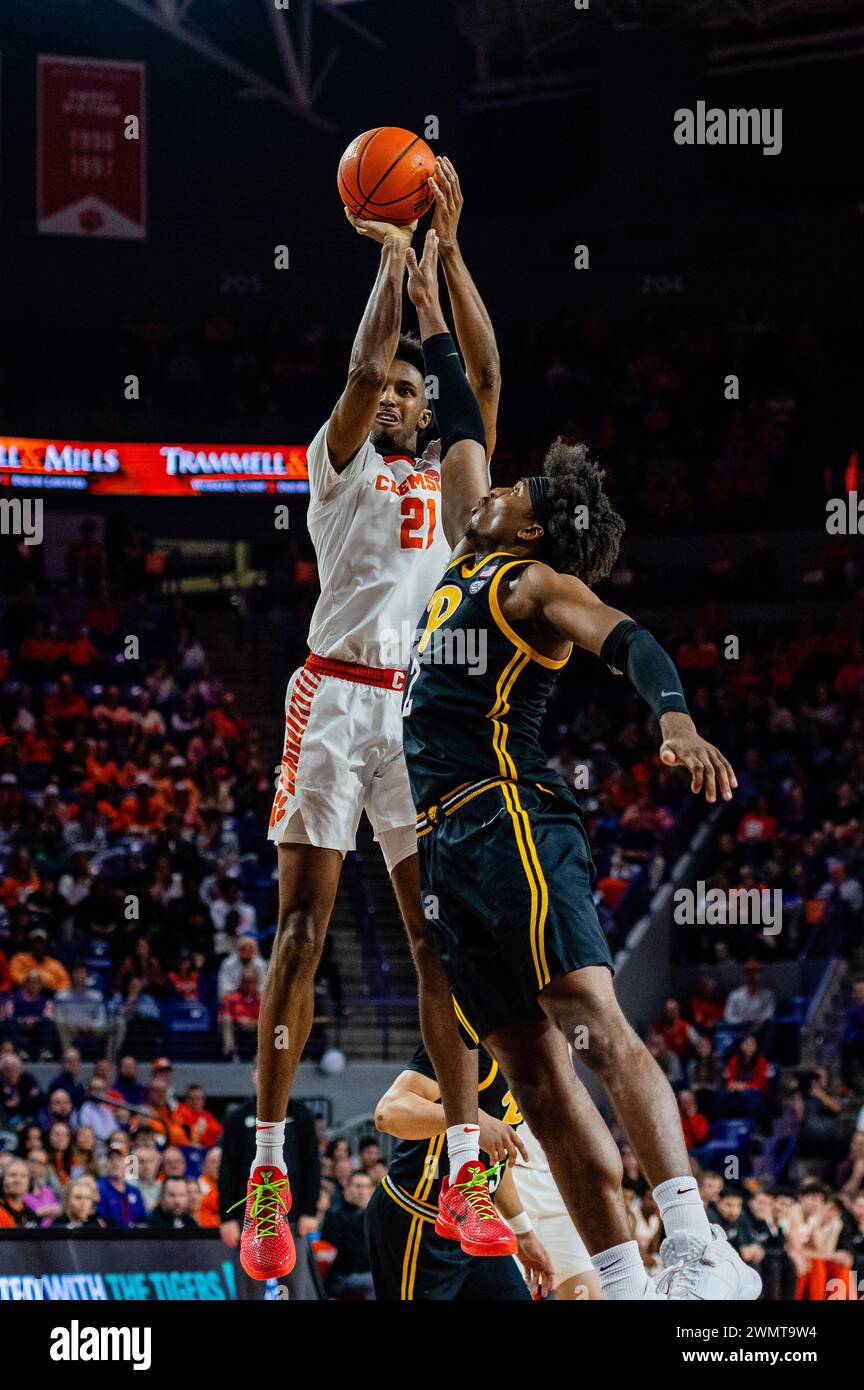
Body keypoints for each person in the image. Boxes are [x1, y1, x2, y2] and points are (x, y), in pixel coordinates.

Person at [398, 230, 760, 1301]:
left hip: (511, 818)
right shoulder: (475, 544)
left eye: (516, 486)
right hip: (453, 839)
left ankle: (698, 1243)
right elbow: (465, 406)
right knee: (538, 1078)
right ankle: (625, 1280)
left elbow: (632, 637)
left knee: (595, 1024)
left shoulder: (533, 587)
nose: (496, 479)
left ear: (539, 522)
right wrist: (442, 283)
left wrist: (675, 719)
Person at [242, 158, 511, 1279]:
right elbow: (361, 360)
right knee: (303, 932)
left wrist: (446, 256)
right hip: (334, 696)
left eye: (412, 388)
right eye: (389, 390)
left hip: (420, 714)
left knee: (434, 941)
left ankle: (467, 1161)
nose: (399, 394)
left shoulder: (454, 485)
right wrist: (392, 258)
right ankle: (264, 1170)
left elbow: (485, 379)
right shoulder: (338, 466)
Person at [369, 1034, 551, 1301]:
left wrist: (523, 1233)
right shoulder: (471, 1046)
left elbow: (496, 1163)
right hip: (418, 1221)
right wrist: (470, 1119)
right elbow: (388, 1112)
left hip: (476, 1226)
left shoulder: (526, 1062)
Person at [220, 1063, 320, 1275]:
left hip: (292, 1215)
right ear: (254, 1076)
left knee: (293, 1284)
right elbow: (227, 1168)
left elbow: (313, 1165)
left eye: (278, 1073)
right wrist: (226, 1217)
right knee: (249, 1283)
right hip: (247, 1215)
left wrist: (310, 1211)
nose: (272, 1079)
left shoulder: (302, 1115)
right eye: (265, 1073)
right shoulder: (238, 1116)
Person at [320, 1169, 376, 1300]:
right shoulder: (335, 1217)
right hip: (341, 1278)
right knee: (377, 1283)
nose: (362, 1191)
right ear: (348, 1187)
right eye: (357, 1186)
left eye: (366, 1187)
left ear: (372, 1190)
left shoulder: (374, 1218)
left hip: (365, 1276)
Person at [97, 1142, 147, 1227]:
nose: (115, 1163)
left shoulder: (135, 1191)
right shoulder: (98, 1189)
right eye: (111, 1159)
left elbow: (142, 1219)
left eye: (119, 1159)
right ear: (106, 1163)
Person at [0, 1156, 33, 1227]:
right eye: (12, 1175)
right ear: (2, 1179)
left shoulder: (31, 1214)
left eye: (23, 1176)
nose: (18, 1180)